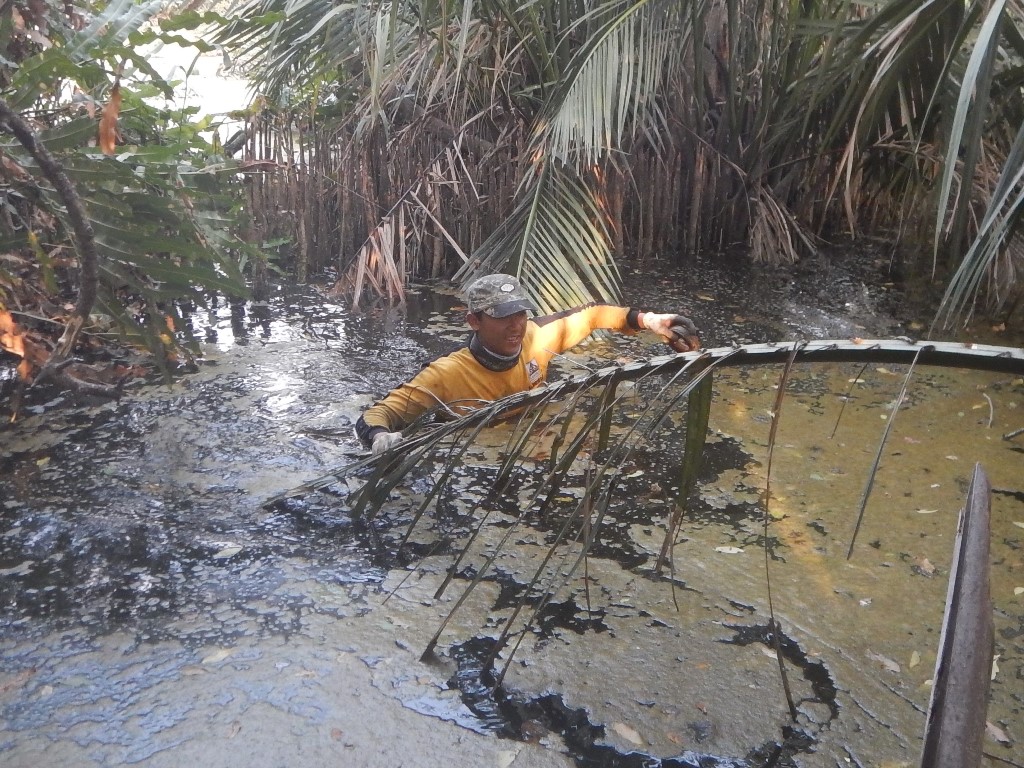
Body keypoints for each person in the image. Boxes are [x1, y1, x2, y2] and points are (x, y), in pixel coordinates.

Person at [355, 274, 701, 454]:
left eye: (521, 313)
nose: (516, 325)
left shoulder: (537, 337)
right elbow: (376, 416)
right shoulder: (446, 375)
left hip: (536, 432)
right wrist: (381, 438)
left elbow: (593, 315)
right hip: (477, 452)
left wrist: (649, 320)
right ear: (474, 321)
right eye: (503, 317)